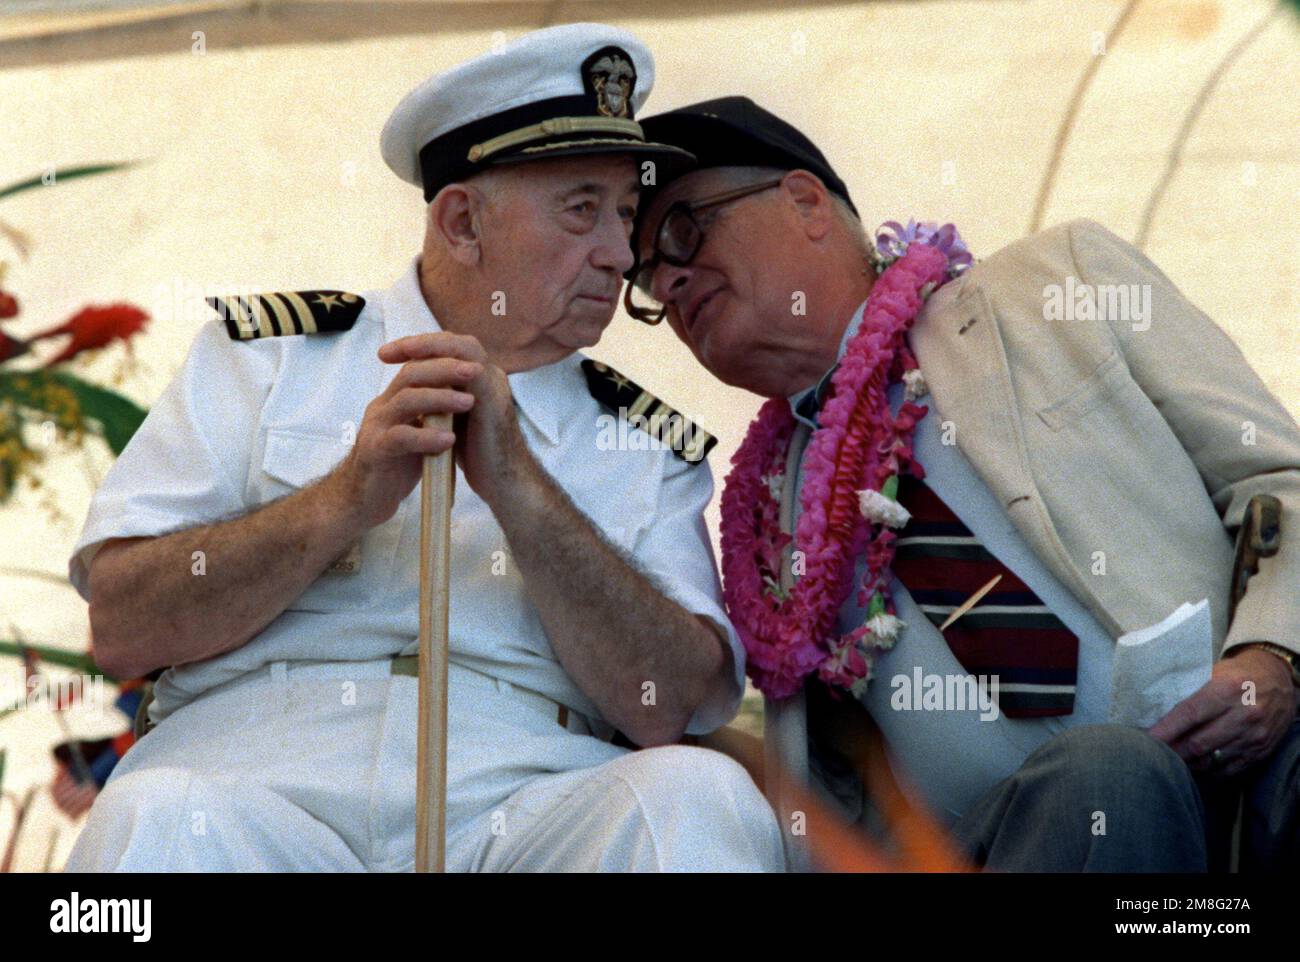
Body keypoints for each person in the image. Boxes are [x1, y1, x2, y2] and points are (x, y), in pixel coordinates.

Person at [63, 29, 784, 873]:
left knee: (698, 799)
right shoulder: (267, 359)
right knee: (154, 816)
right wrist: (343, 501)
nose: (621, 256)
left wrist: (523, 491)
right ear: (462, 221)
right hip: (252, 789)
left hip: (524, 805)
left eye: (625, 215)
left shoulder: (641, 440)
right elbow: (120, 625)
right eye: (582, 209)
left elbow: (679, 703)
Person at [626, 95, 1300, 871]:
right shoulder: (762, 532)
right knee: (1109, 777)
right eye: (647, 277)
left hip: (1259, 768)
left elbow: (1278, 479)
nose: (668, 282)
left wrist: (1272, 660)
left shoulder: (1057, 285)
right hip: (1023, 843)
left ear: (805, 201)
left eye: (681, 230)